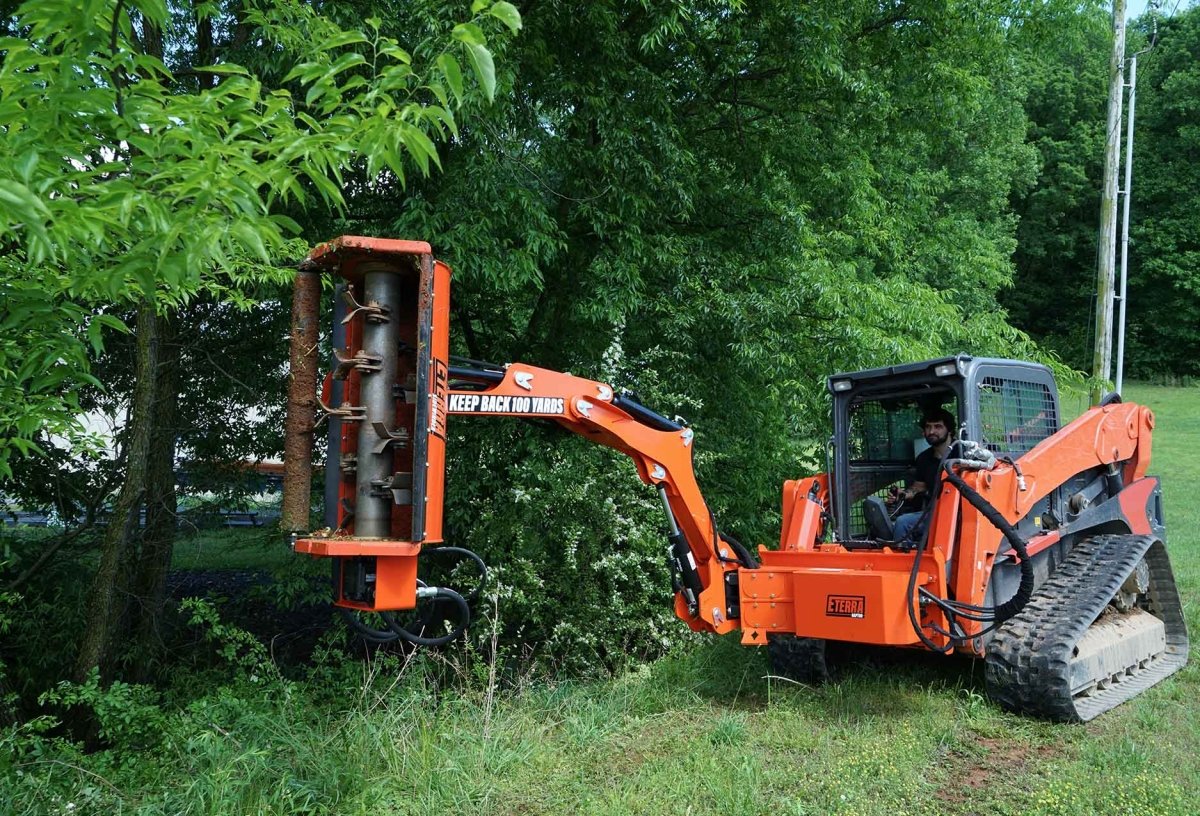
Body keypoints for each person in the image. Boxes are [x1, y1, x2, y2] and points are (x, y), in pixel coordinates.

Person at [889, 407, 955, 544]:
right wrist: (903, 494)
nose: (932, 431)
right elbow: (919, 487)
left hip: (959, 513)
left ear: (950, 430)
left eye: (938, 427)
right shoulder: (924, 459)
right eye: (928, 427)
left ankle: (903, 563)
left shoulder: (963, 455)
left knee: (903, 523)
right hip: (935, 512)